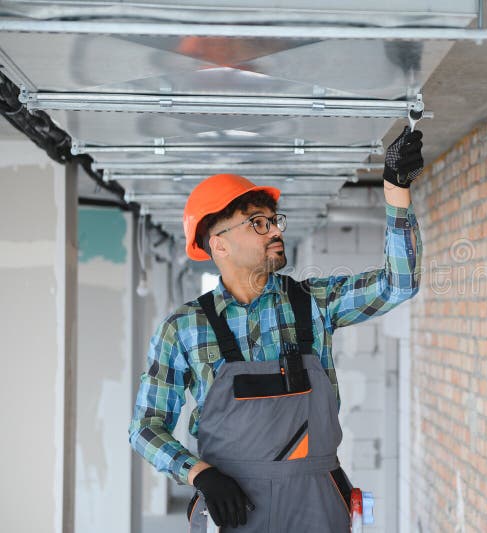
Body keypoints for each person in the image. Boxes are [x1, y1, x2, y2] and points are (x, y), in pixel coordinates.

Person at [128, 127, 424, 532]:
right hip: (230, 505)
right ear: (219, 245)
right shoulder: (184, 329)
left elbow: (399, 283)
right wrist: (198, 474)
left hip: (317, 503)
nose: (276, 231)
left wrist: (396, 191)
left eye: (274, 221)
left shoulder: (313, 303)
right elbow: (145, 427)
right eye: (258, 224)